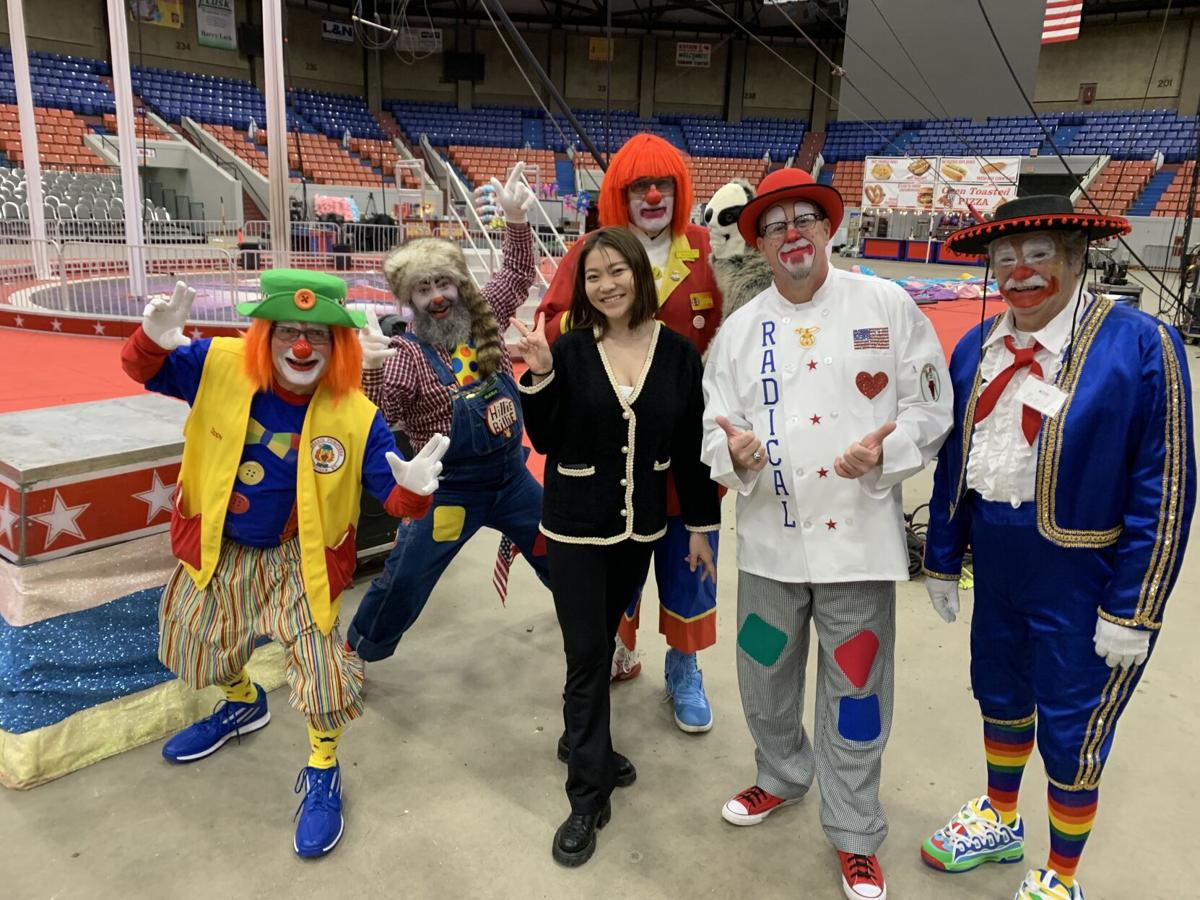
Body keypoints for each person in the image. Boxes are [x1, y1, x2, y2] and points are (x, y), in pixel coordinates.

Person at [919, 195, 1196, 900]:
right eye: (1005, 259)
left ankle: (1061, 876)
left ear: (1076, 257)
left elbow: (1162, 487)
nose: (1019, 273)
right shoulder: (974, 347)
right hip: (999, 571)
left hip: (1085, 579)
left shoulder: (1141, 344)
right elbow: (955, 466)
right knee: (1000, 694)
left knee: (1071, 730)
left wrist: (1134, 608)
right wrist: (944, 558)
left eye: (1039, 254)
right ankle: (1001, 819)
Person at [120, 272, 448, 858]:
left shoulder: (357, 415)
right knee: (200, 639)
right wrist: (151, 338)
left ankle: (323, 768)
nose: (302, 347)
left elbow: (392, 494)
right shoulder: (217, 365)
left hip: (303, 559)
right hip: (221, 546)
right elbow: (143, 369)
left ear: (338, 346)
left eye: (318, 336)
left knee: (323, 669)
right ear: (266, 335)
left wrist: (416, 490)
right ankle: (244, 704)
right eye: (290, 332)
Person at [700, 167, 953, 900]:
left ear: (830, 228)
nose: (792, 235)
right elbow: (713, 426)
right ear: (761, 244)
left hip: (861, 546)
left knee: (858, 696)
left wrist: (890, 452)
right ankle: (781, 773)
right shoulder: (740, 332)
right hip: (770, 546)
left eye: (806, 220)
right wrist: (732, 456)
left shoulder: (889, 304)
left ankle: (854, 832)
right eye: (776, 226)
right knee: (763, 676)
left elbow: (932, 406)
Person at [517, 227, 720, 867]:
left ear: (639, 273)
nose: (606, 285)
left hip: (642, 529)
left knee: (602, 643)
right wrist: (542, 376)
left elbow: (689, 452)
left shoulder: (681, 354)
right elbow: (545, 440)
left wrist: (701, 529)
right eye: (594, 275)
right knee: (586, 656)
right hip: (575, 527)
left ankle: (587, 741)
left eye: (617, 271)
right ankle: (586, 794)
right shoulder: (570, 350)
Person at [537, 133, 723, 732]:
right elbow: (552, 325)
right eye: (638, 186)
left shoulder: (706, 245)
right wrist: (608, 313)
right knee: (613, 560)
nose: (651, 196)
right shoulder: (594, 250)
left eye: (662, 184)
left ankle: (685, 664)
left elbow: (734, 321)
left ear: (678, 191)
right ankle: (617, 645)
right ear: (620, 194)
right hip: (613, 451)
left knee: (690, 561)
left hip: (687, 443)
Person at [347, 162, 551, 661]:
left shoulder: (487, 316)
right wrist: (367, 371)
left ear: (460, 282)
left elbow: (519, 273)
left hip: (511, 479)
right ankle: (357, 652)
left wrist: (515, 222)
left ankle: (596, 627)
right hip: (449, 490)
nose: (437, 296)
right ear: (409, 300)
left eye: (444, 282)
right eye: (423, 289)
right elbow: (372, 416)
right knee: (406, 576)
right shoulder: (407, 355)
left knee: (559, 548)